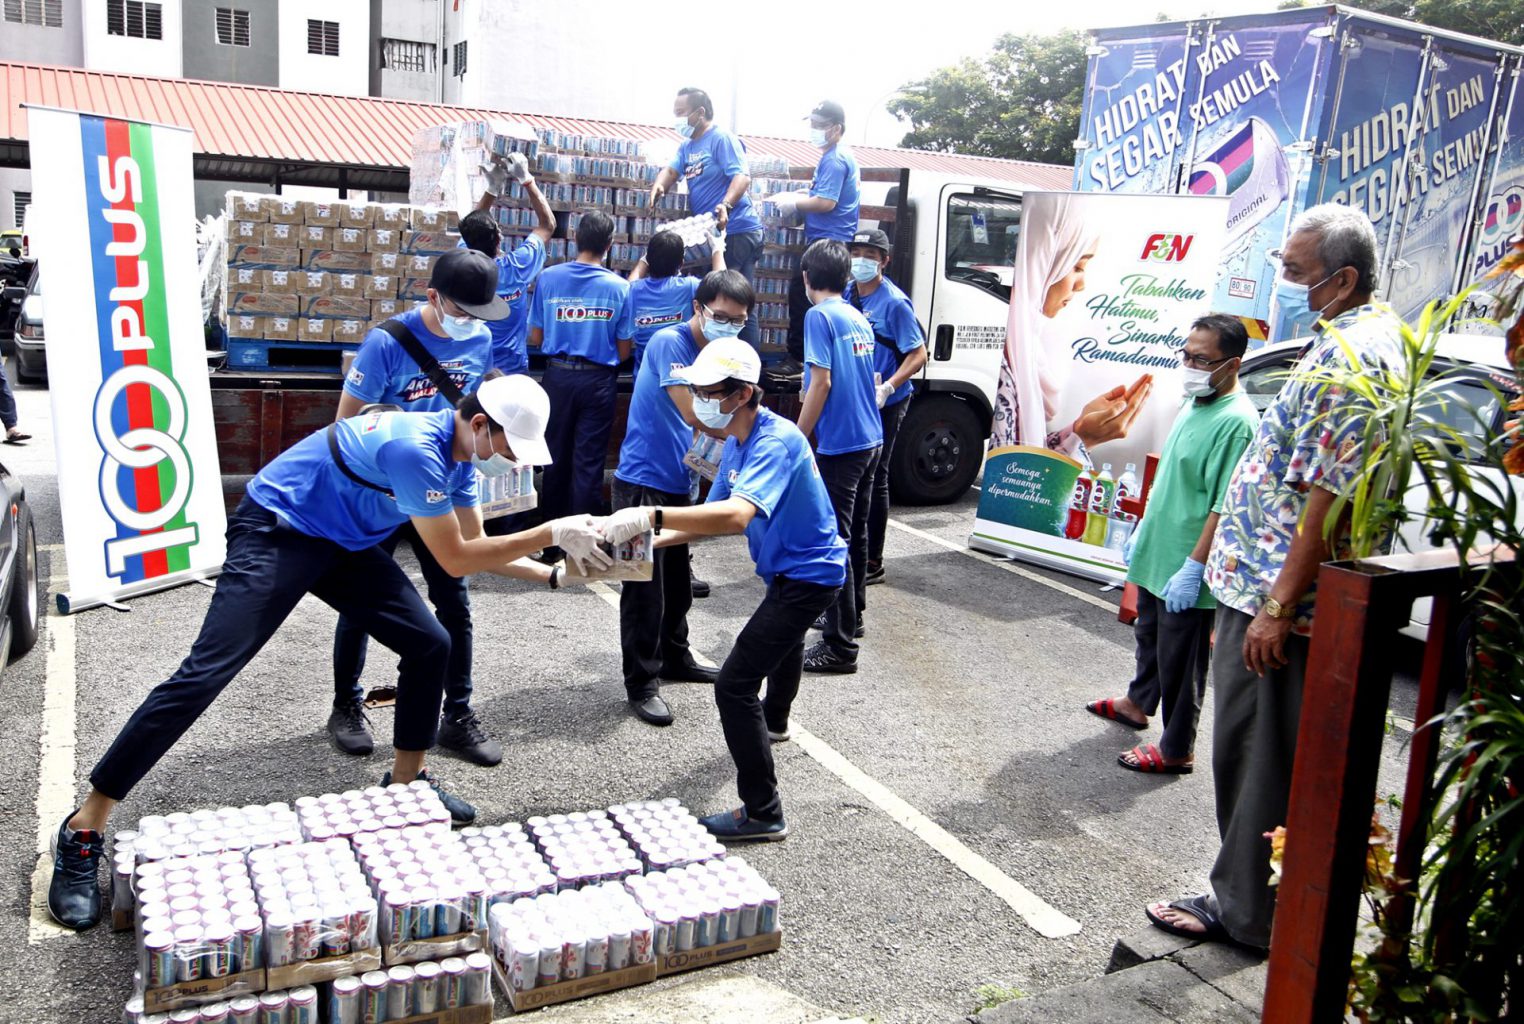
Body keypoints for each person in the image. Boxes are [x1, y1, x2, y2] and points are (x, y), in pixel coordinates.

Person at [45, 375, 611, 930]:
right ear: (481, 425)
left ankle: (406, 783)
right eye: (512, 450)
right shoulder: (414, 447)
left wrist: (554, 577)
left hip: (345, 545)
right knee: (206, 673)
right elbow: (457, 560)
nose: (512, 464)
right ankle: (85, 824)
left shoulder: (462, 461)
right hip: (278, 529)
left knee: (429, 644)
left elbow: (471, 546)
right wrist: (550, 532)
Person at [1145, 204, 1400, 950]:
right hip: (1259, 587)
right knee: (1259, 751)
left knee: (1254, 753)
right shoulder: (1343, 343)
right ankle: (1258, 899)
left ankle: (1246, 912)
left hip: (1273, 598)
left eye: (1293, 272)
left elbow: (1328, 495)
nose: (1280, 283)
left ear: (1343, 278)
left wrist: (1278, 606)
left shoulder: (1354, 358)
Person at [597, 339, 846, 841]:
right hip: (788, 573)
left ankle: (763, 811)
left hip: (811, 576)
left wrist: (650, 513)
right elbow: (713, 518)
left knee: (734, 685)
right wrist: (641, 542)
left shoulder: (776, 441)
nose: (699, 400)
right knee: (786, 640)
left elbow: (737, 514)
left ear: (744, 394)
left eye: (710, 392)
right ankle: (775, 722)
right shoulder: (735, 439)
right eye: (697, 390)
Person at [331, 249, 554, 765]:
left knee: (455, 599)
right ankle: (346, 702)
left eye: (480, 314)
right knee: (362, 600)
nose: (471, 323)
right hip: (382, 490)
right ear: (433, 296)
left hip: (447, 482)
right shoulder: (387, 342)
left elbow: (475, 412)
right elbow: (345, 427)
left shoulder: (477, 338)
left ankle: (457, 714)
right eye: (462, 310)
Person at [1084, 314, 1257, 773]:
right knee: (1151, 635)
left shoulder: (1237, 421)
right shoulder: (1196, 404)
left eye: (1202, 359)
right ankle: (1138, 702)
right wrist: (1144, 527)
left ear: (1232, 364)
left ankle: (1178, 747)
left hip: (1186, 558)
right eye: (1187, 355)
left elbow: (1224, 504)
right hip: (1160, 548)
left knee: (1183, 660)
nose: (1191, 366)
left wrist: (1195, 566)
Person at [612, 271, 756, 726]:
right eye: (721, 317)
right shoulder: (669, 344)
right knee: (642, 591)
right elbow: (697, 413)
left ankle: (675, 657)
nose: (729, 326)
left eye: (739, 321)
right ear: (698, 308)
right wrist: (756, 430)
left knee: (676, 586)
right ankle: (641, 682)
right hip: (642, 482)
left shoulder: (722, 353)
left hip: (681, 482)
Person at [989, 193, 1152, 462]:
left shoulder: (1024, 350)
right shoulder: (1007, 369)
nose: (1081, 284)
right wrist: (1084, 439)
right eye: (1077, 265)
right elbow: (1012, 484)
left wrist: (1078, 431)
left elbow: (1025, 456)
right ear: (1044, 258)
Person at [791, 240, 881, 675]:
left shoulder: (819, 315)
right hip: (870, 438)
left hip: (842, 444)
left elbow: (822, 383)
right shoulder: (855, 316)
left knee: (836, 543)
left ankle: (840, 647)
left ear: (808, 277)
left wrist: (797, 436)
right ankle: (851, 616)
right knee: (855, 535)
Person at [528, 210, 634, 552]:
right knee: (588, 462)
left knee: (554, 458)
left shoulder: (548, 278)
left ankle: (552, 542)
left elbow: (536, 335)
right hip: (598, 380)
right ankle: (583, 547)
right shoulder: (620, 288)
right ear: (610, 245)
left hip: (557, 376)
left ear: (575, 239)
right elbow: (623, 348)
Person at [649, 87, 765, 348]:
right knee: (721, 299)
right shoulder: (687, 146)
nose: (676, 119)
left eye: (681, 113)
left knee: (733, 299)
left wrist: (725, 204)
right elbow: (671, 169)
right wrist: (659, 185)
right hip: (714, 233)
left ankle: (742, 365)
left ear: (700, 113)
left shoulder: (721, 139)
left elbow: (742, 176)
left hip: (736, 229)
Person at [844, 228, 926, 587]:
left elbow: (918, 352)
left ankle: (872, 559)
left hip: (887, 400)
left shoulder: (894, 302)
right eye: (856, 251)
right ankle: (851, 549)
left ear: (884, 261)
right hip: (856, 397)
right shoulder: (847, 293)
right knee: (854, 476)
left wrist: (891, 386)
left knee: (876, 478)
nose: (861, 259)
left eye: (869, 254)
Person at [769, 101, 861, 373]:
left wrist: (795, 204)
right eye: (812, 124)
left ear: (836, 129)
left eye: (819, 126)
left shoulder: (834, 159)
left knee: (802, 294)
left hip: (828, 239)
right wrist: (800, 195)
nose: (814, 130)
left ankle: (798, 359)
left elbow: (826, 203)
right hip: (830, 237)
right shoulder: (837, 155)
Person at [465, 152, 556, 378]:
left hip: (472, 369)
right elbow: (547, 225)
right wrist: (526, 179)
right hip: (511, 372)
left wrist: (492, 189)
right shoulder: (516, 267)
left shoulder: (462, 262)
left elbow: (472, 226)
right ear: (499, 238)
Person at [626, 226, 727, 378]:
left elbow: (628, 285)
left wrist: (644, 261)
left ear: (649, 261)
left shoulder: (633, 290)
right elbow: (722, 287)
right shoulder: (689, 287)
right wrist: (717, 250)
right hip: (680, 373)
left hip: (644, 377)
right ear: (681, 263)